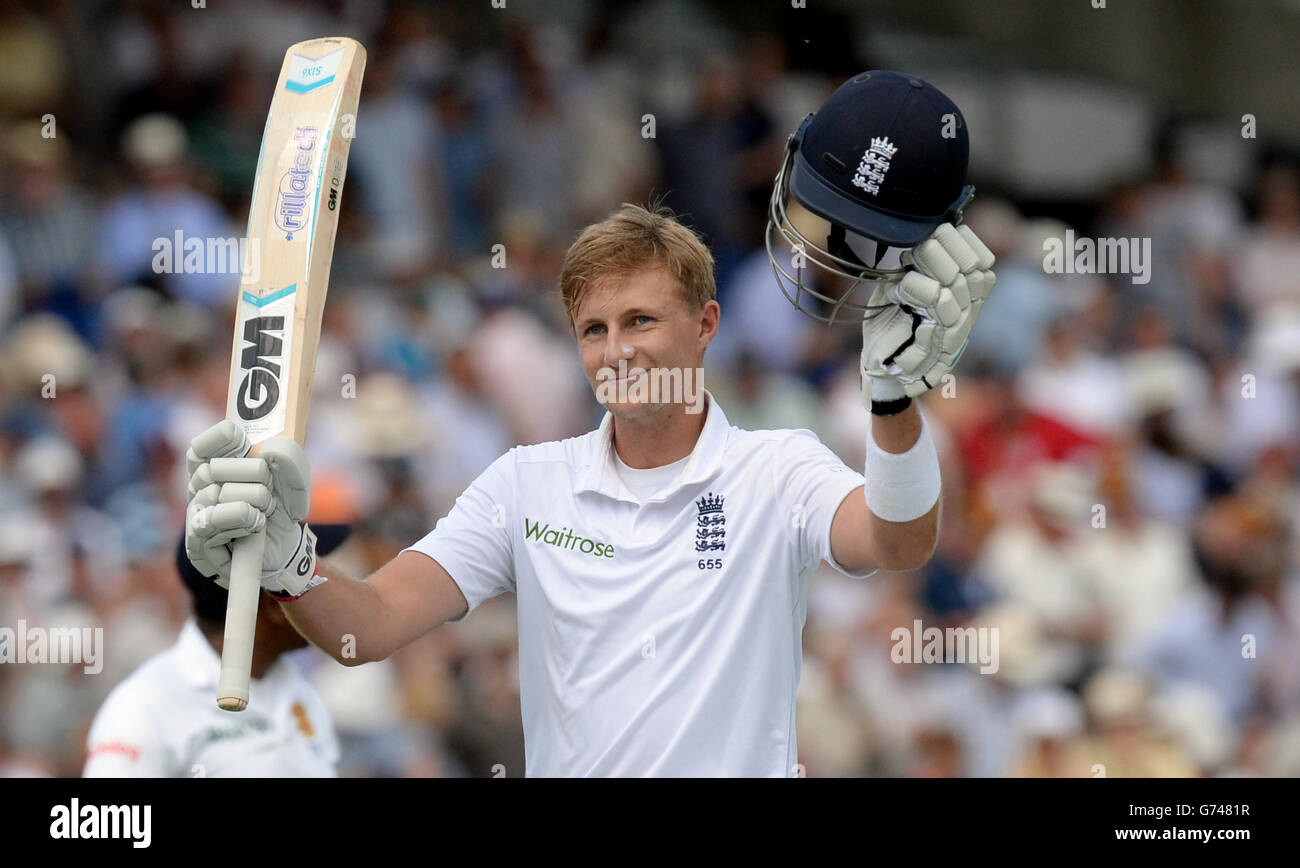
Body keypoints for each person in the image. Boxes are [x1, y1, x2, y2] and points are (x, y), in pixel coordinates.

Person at [184, 71, 996, 777]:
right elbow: (367, 631)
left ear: (706, 324)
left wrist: (891, 402)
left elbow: (898, 541)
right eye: (593, 330)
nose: (617, 352)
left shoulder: (777, 469)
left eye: (641, 321)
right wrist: (290, 561)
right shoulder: (525, 485)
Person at [82, 527, 350, 777]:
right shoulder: (144, 706)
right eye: (310, 579)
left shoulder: (298, 690)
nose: (328, 598)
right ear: (274, 606)